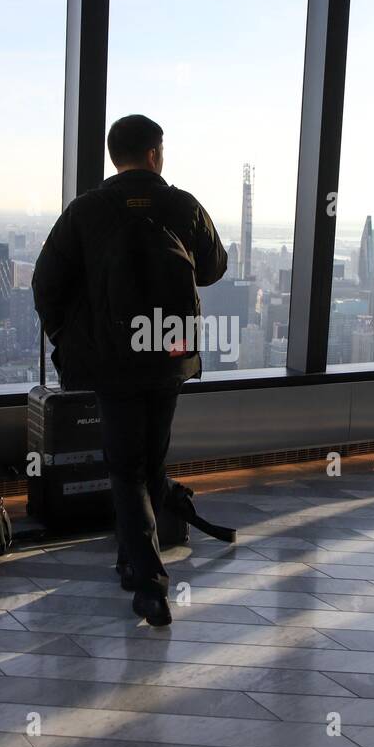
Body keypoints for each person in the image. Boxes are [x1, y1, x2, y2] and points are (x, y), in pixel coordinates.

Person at [32, 115, 227, 626]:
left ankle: (148, 583)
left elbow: (46, 282)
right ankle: (136, 557)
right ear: (156, 154)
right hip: (167, 353)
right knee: (146, 461)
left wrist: (71, 340)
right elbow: (213, 269)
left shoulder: (86, 212)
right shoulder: (182, 206)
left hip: (112, 361)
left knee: (126, 467)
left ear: (113, 156)